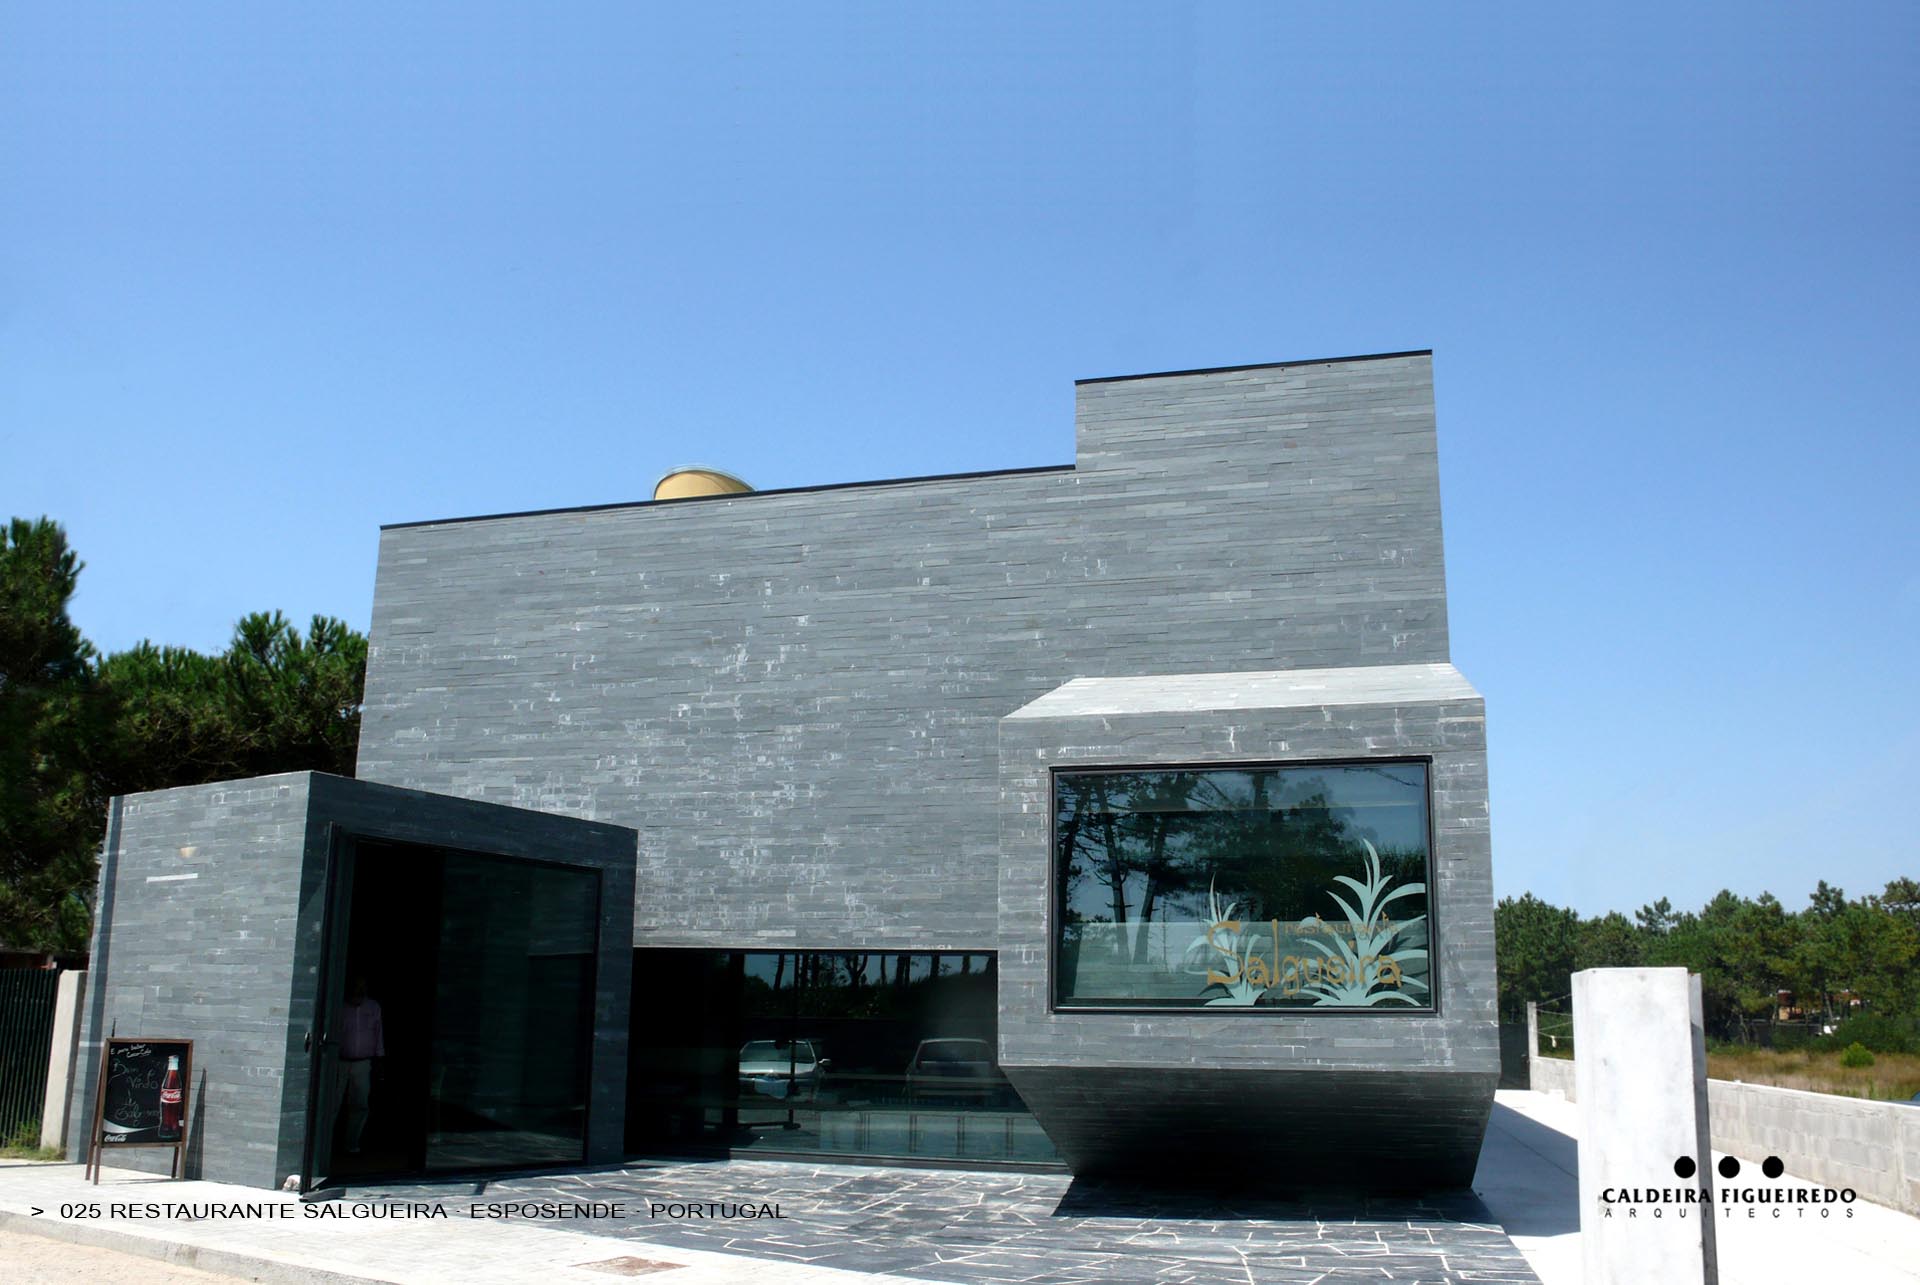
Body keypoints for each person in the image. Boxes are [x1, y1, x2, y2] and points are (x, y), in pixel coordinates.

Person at [334, 974, 385, 1155]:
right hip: (339, 1062)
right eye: (356, 985)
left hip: (363, 1063)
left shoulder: (373, 1007)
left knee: (360, 1104)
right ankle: (326, 1146)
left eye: (362, 985)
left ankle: (352, 1144)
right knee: (333, 1103)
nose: (359, 989)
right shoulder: (339, 1007)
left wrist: (379, 1060)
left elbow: (378, 1034)